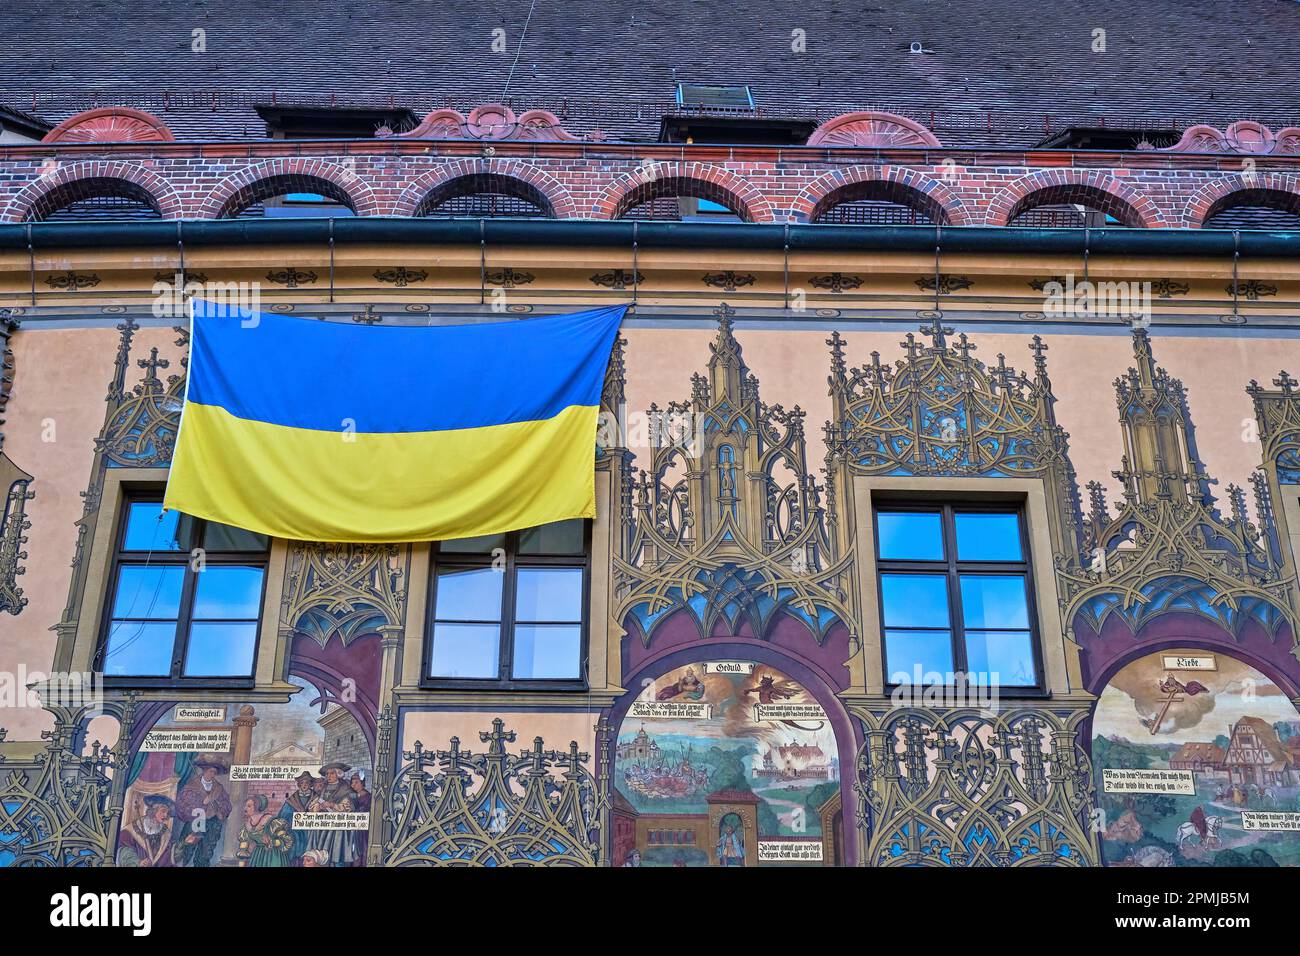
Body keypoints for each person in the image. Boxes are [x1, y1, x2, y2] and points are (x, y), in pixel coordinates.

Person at [174, 754, 233, 867]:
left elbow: (227, 805)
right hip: (195, 822)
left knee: (205, 853)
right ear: (205, 771)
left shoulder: (218, 788)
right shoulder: (192, 785)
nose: (212, 775)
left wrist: (218, 807)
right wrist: (202, 803)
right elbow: (182, 803)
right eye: (210, 771)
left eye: (214, 773)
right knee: (187, 850)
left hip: (212, 825)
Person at [314, 762, 359, 867]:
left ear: (338, 774)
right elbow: (314, 803)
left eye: (332, 773)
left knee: (337, 854)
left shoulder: (345, 788)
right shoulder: (324, 788)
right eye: (327, 774)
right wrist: (318, 807)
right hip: (324, 826)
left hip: (339, 828)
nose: (329, 776)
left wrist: (332, 805)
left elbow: (348, 807)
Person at [117, 795, 179, 867]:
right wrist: (138, 862)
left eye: (167, 813)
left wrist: (185, 843)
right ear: (154, 810)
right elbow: (124, 852)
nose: (165, 815)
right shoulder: (131, 830)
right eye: (163, 811)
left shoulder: (166, 835)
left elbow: (170, 857)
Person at [237, 794, 295, 867]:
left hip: (274, 856)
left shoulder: (271, 822)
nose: (245, 808)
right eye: (245, 806)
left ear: (257, 807)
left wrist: (272, 842)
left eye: (249, 806)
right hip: (258, 856)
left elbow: (286, 841)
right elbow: (243, 850)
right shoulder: (247, 826)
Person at [277, 771, 317, 865]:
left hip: (310, 831)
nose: (304, 785)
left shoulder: (316, 797)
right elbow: (283, 815)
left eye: (307, 783)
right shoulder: (292, 799)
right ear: (299, 785)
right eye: (302, 783)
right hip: (295, 831)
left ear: (310, 784)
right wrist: (294, 818)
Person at [349, 772, 372, 866]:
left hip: (362, 830)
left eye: (356, 782)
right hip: (353, 827)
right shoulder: (353, 796)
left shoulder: (368, 796)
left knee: (362, 849)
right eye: (352, 783)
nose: (353, 785)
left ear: (362, 783)